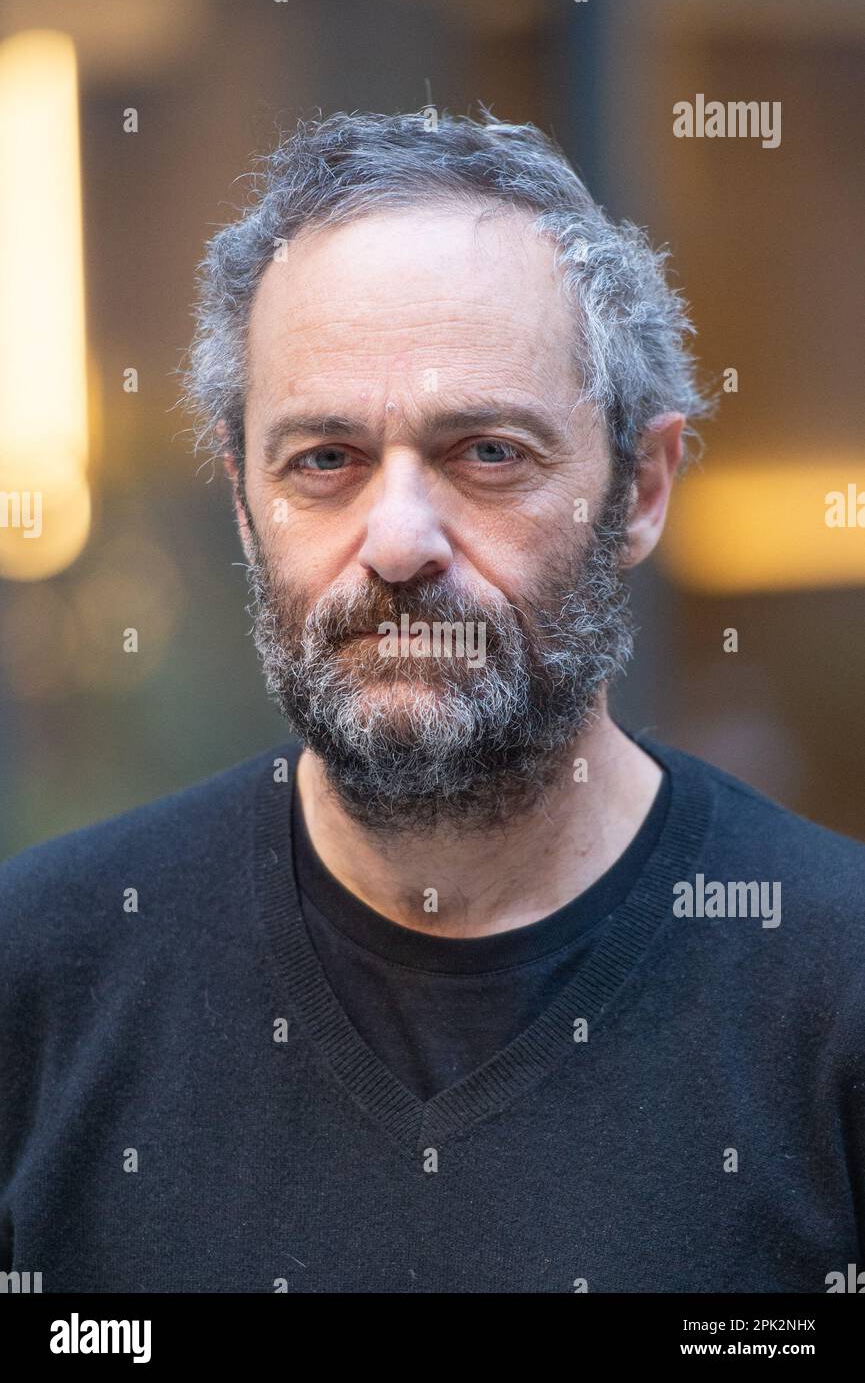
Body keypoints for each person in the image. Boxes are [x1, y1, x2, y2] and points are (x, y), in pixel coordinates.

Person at [1, 111, 863, 1294]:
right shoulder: (37, 972)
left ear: (643, 486)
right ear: (245, 506)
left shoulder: (833, 989)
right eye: (324, 461)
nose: (399, 543)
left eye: (487, 452)